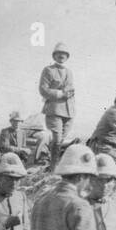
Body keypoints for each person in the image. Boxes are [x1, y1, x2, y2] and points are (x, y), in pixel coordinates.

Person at [38, 41, 76, 169]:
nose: (62, 56)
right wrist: (60, 93)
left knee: (61, 139)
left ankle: (57, 164)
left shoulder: (69, 72)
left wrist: (69, 95)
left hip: (69, 110)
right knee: (57, 138)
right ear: (54, 56)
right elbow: (43, 89)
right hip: (54, 109)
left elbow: (71, 90)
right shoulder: (48, 70)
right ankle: (53, 167)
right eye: (59, 53)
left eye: (64, 54)